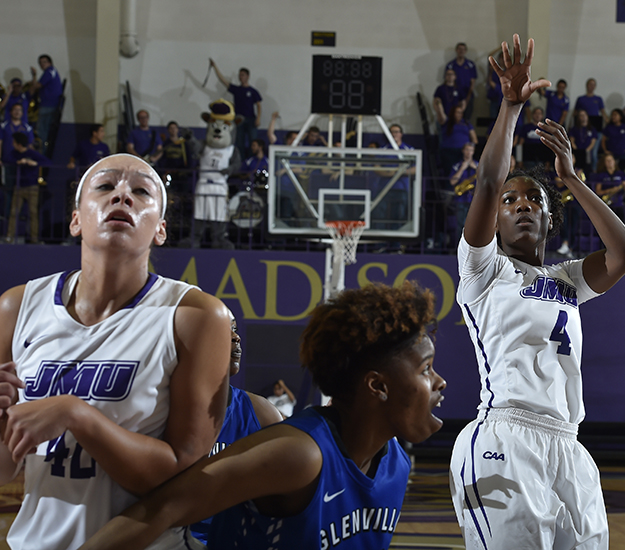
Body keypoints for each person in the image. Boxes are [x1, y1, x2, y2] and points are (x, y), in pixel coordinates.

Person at [78, 281, 447, 550]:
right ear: (377, 386)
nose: (440, 381)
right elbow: (159, 511)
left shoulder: (395, 463)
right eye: (426, 368)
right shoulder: (299, 454)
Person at [450, 34, 625, 550]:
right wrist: (510, 106)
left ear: (550, 219)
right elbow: (487, 182)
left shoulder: (566, 280)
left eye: (534, 199)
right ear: (497, 217)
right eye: (511, 201)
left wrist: (571, 180)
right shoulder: (483, 272)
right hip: (505, 436)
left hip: (569, 446)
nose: (521, 204)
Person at [0, 153, 231, 549]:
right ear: (76, 220)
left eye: (141, 191)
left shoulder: (197, 315)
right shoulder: (17, 307)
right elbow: (5, 466)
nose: (122, 195)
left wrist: (75, 414)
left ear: (160, 230)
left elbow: (183, 475)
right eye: (106, 186)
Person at [189, 310, 283, 545]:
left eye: (235, 329)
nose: (235, 337)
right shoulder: (165, 410)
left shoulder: (262, 413)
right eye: (224, 330)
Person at [209, 59, 262, 156]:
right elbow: (223, 80)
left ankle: (252, 162)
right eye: (239, 75)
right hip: (238, 119)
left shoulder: (253, 91)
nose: (240, 77)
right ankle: (240, 163)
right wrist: (215, 67)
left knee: (253, 142)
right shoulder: (236, 89)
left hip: (250, 119)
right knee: (239, 143)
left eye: (242, 75)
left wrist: (258, 118)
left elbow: (258, 105)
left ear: (247, 76)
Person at [5, 132, 49, 243]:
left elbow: (47, 161)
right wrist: (18, 162)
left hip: (32, 187)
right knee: (14, 212)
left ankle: (34, 238)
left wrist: (34, 163)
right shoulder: (15, 154)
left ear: (19, 144)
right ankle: (10, 237)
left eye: (14, 142)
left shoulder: (31, 153)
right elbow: (7, 159)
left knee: (33, 213)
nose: (13, 144)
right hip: (19, 187)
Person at [27, 54, 62, 151]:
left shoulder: (49, 72)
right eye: (40, 63)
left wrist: (33, 77)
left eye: (44, 62)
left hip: (48, 106)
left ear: (50, 63)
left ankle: (40, 154)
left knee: (41, 132)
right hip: (50, 105)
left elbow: (36, 86)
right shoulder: (52, 72)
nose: (42, 64)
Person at [450, 142, 479, 246]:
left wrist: (476, 169)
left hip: (474, 200)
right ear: (463, 151)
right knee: (460, 225)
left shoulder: (478, 165)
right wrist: (462, 168)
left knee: (474, 225)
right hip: (460, 200)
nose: (468, 152)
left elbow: (484, 180)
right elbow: (452, 182)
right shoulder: (457, 165)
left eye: (470, 150)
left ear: (473, 152)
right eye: (466, 150)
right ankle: (458, 247)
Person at [575, 78, 607, 170]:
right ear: (586, 85)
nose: (591, 86)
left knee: (593, 153)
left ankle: (594, 171)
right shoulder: (581, 99)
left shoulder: (598, 99)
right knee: (582, 152)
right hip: (582, 130)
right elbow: (575, 113)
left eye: (593, 84)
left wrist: (608, 123)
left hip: (595, 130)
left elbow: (603, 113)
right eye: (590, 84)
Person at [441, 104, 477, 174]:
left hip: (463, 152)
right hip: (449, 152)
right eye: (457, 112)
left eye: (461, 112)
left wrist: (471, 149)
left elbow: (474, 139)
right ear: (453, 113)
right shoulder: (447, 122)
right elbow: (440, 114)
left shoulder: (466, 123)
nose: (459, 114)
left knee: (464, 171)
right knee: (450, 171)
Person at [446, 42, 478, 122]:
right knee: (453, 119)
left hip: (467, 96)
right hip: (454, 97)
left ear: (466, 51)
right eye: (459, 49)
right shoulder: (451, 65)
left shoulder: (471, 65)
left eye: (463, 49)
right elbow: (448, 82)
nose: (461, 51)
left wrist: (467, 99)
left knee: (466, 119)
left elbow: (472, 83)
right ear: (456, 50)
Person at [569, 109, 598, 173]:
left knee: (587, 165)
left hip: (587, 151)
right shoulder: (574, 129)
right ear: (578, 117)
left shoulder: (592, 129)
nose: (583, 117)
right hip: (577, 150)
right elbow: (572, 140)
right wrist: (576, 150)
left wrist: (587, 150)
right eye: (581, 115)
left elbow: (593, 141)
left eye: (584, 115)